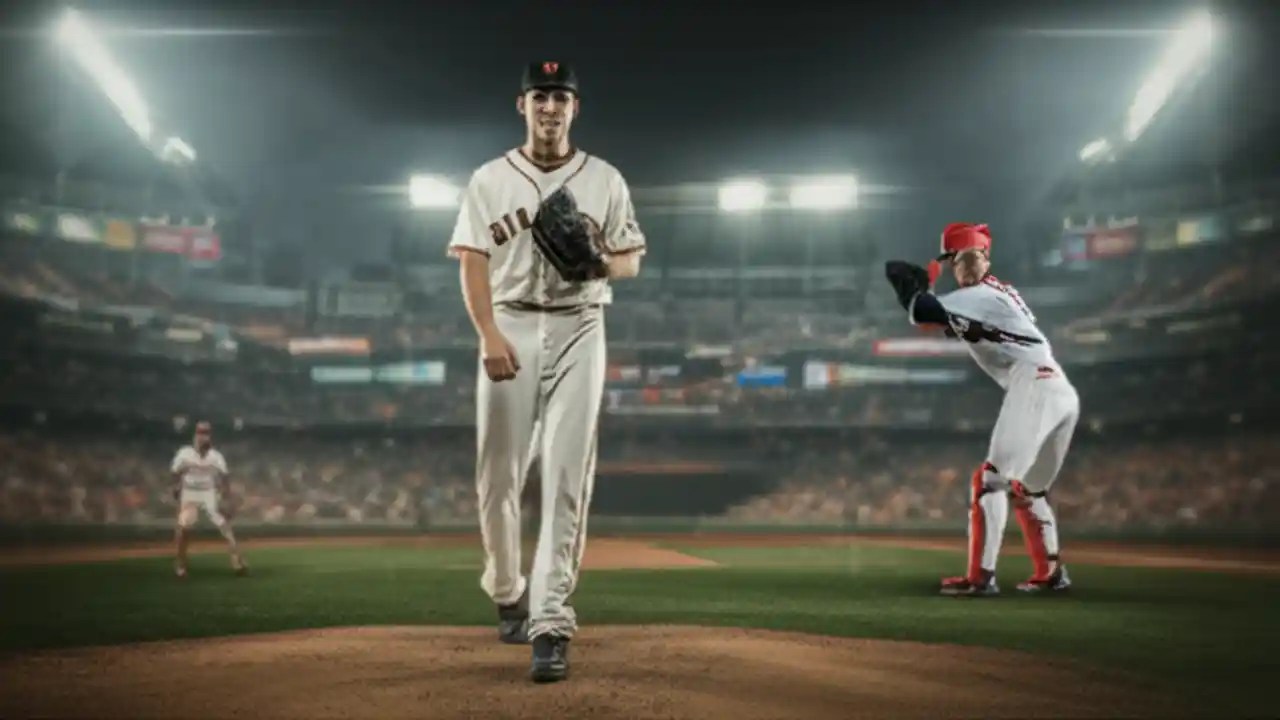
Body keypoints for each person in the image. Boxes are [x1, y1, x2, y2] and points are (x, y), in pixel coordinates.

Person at [447, 61, 646, 682]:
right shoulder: (489, 179)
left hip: (580, 324)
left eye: (561, 97)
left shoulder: (605, 178)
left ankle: (550, 620)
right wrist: (488, 335)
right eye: (540, 96)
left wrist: (600, 265)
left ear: (575, 108)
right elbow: (472, 261)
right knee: (497, 476)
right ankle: (508, 587)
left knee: (566, 474)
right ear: (522, 104)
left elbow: (632, 259)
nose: (550, 107)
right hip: (508, 320)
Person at [884, 223, 1078, 597]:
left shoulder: (978, 294)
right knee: (1029, 491)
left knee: (991, 481)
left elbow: (922, 311)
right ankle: (1051, 573)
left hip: (1035, 383)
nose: (968, 264)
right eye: (962, 258)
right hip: (1060, 391)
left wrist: (916, 286)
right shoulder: (997, 294)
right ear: (955, 263)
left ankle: (981, 578)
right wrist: (926, 289)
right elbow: (945, 324)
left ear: (986, 260)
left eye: (973, 256)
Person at [171, 421, 246, 577]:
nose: (203, 437)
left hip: (208, 492)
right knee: (184, 527)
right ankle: (180, 564)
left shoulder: (215, 456)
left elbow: (225, 478)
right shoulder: (185, 453)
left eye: (206, 434)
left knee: (224, 526)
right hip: (189, 492)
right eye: (200, 433)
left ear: (210, 437)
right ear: (195, 436)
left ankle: (237, 561)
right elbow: (175, 472)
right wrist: (176, 486)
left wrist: (227, 499)